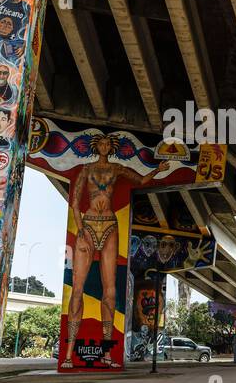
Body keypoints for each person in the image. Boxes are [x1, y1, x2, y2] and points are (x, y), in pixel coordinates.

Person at [63, 135, 174, 369]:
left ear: (111, 148)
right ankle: (69, 354)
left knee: (110, 291)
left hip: (110, 225)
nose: (104, 146)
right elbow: (74, 202)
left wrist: (158, 169)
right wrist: (80, 228)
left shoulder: (117, 168)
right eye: (100, 143)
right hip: (89, 223)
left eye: (107, 143)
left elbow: (142, 180)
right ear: (96, 147)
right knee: (77, 288)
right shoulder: (86, 169)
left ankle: (106, 354)